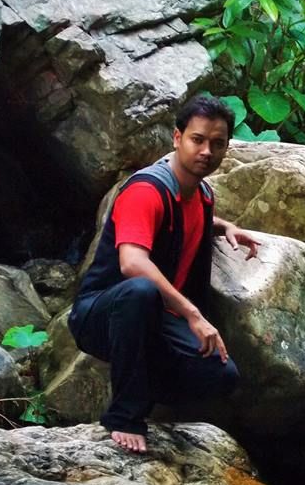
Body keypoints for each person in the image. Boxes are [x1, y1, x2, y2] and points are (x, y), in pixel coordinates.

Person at [69, 95, 260, 454]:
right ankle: (123, 417)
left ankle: (140, 384)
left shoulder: (200, 194)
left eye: (217, 144)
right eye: (198, 139)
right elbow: (131, 263)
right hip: (101, 314)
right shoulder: (146, 190)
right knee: (140, 290)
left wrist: (225, 227)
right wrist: (193, 314)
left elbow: (190, 220)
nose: (207, 151)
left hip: (151, 321)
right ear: (177, 138)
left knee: (221, 376)